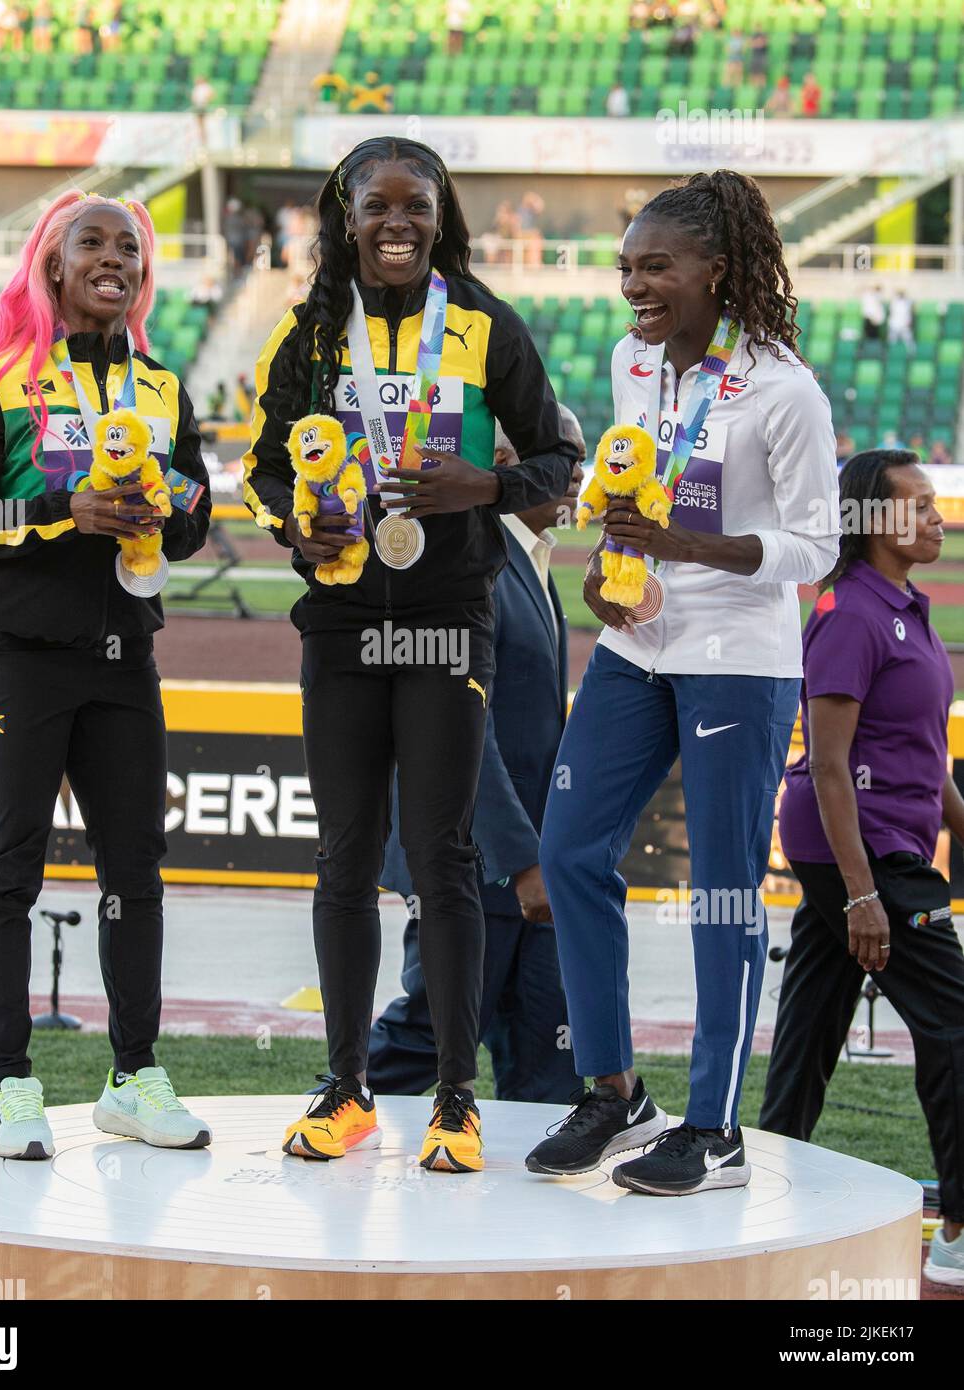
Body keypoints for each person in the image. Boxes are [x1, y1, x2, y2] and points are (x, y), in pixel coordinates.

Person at [241, 136, 576, 1172]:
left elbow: (560, 461)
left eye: (416, 206)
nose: (397, 224)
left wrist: (486, 486)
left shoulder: (483, 327)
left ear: (441, 216)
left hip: (446, 616)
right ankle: (345, 1089)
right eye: (376, 207)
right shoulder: (308, 338)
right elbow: (261, 470)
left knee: (446, 860)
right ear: (346, 219)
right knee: (344, 857)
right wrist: (303, 529)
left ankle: (457, 1102)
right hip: (342, 621)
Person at [526, 170, 839, 1192]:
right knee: (569, 848)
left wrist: (684, 546)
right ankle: (616, 1091)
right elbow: (630, 487)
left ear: (718, 268)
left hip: (737, 664)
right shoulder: (632, 362)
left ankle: (715, 1130)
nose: (635, 288)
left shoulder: (784, 388)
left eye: (656, 267)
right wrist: (614, 569)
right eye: (627, 268)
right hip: (637, 643)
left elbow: (816, 548)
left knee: (720, 892)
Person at [0, 192, 213, 1161]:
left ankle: (132, 1073)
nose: (114, 258)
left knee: (137, 875)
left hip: (125, 663)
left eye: (131, 247)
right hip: (21, 663)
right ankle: (13, 1083)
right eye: (94, 243)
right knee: (10, 870)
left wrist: (167, 510)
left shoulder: (160, 386)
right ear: (54, 265)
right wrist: (58, 516)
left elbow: (200, 509)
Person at [760, 450, 964, 1288]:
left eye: (933, 505)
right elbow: (833, 764)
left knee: (811, 1023)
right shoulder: (847, 613)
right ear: (874, 522)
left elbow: (925, 756)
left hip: (881, 845)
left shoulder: (908, 608)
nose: (935, 517)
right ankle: (958, 1225)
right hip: (860, 849)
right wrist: (865, 895)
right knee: (956, 1024)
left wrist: (958, 818)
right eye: (916, 507)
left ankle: (766, 1192)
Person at [367, 409, 587, 1103]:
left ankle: (542, 1185)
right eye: (562, 456)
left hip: (531, 862)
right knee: (428, 1038)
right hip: (477, 858)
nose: (577, 473)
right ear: (504, 463)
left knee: (547, 1048)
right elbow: (465, 725)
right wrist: (521, 860)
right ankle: (337, 1120)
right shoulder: (470, 557)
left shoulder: (532, 559)